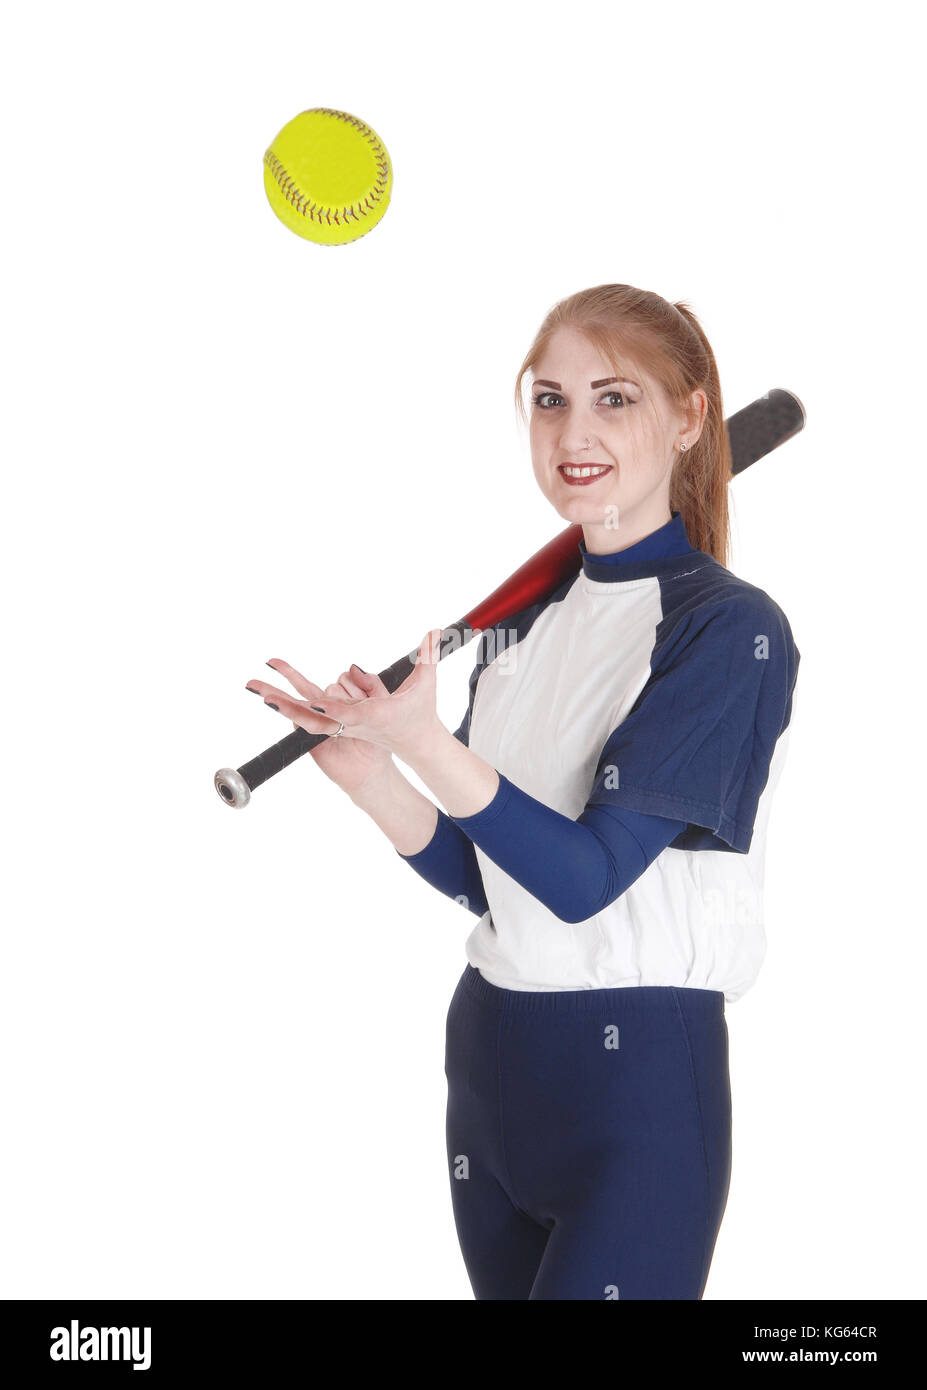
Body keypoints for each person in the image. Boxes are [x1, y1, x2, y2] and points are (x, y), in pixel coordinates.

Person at [246, 284, 800, 1300]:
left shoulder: (725, 632)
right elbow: (493, 875)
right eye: (550, 400)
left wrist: (428, 743)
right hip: (491, 1066)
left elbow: (587, 879)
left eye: (614, 399)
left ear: (689, 418)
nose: (573, 431)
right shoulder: (524, 627)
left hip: (632, 1085)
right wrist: (376, 772)